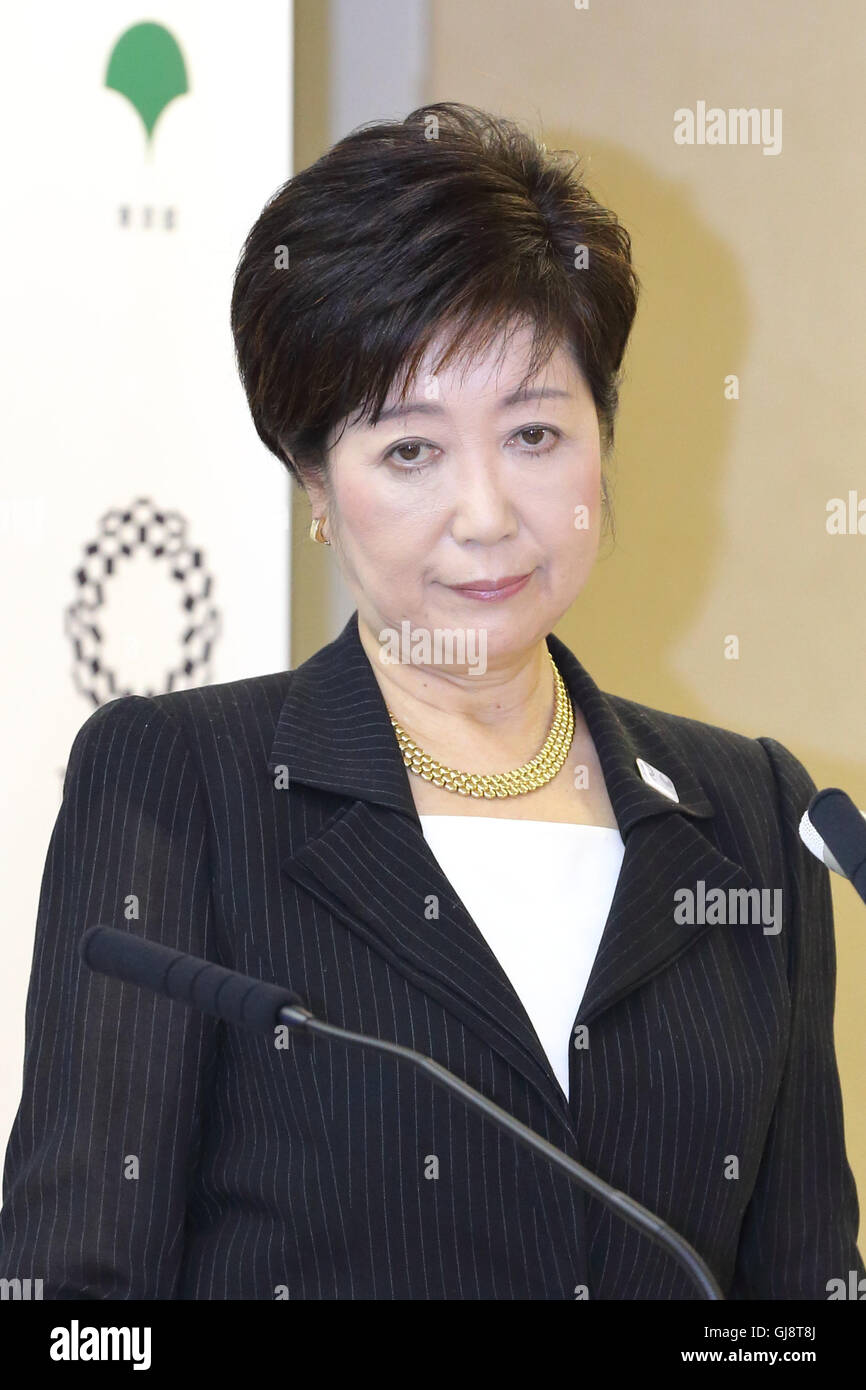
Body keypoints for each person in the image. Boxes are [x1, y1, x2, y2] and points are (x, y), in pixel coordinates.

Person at [0, 102, 861, 1300]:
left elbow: (805, 1288)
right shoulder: (178, 786)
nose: (485, 513)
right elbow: (75, 1299)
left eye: (533, 434)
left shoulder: (751, 813)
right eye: (409, 450)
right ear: (312, 480)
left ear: (600, 441)